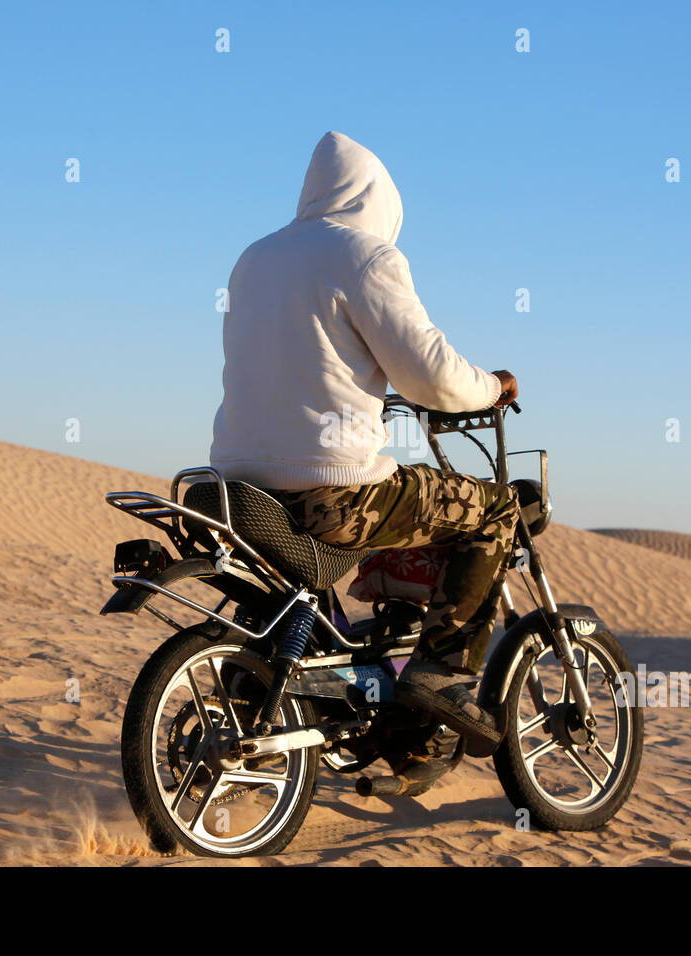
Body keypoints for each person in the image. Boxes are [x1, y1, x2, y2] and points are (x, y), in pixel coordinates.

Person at [209, 131, 520, 756]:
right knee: (493, 509)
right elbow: (429, 371)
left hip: (238, 485)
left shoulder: (253, 258)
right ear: (379, 199)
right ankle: (441, 675)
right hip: (334, 490)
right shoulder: (366, 257)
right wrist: (492, 387)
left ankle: (370, 705)